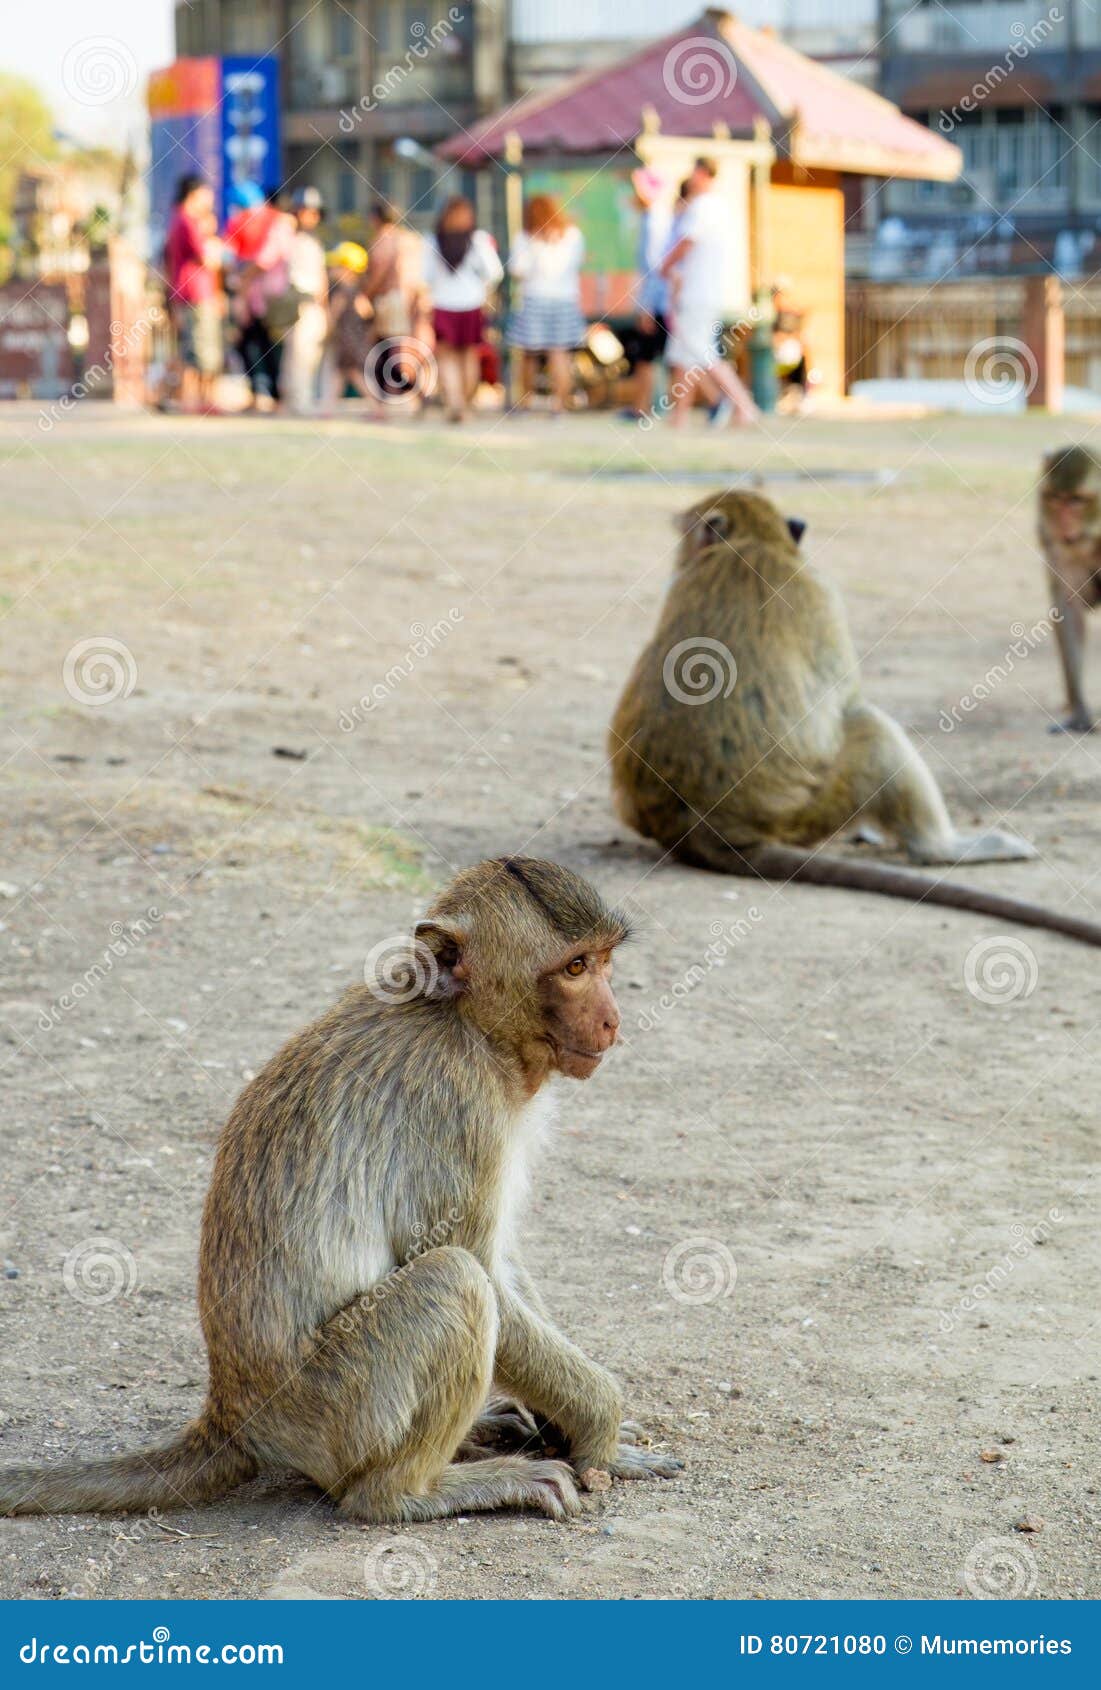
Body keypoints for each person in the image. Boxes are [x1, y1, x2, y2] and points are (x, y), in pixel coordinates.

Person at [660, 156, 757, 427]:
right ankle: (678, 417)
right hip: (703, 290)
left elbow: (687, 242)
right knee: (684, 354)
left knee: (702, 352)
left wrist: (664, 266)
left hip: (698, 291)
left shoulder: (702, 207)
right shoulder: (719, 207)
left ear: (701, 173)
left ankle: (743, 404)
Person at [422, 196, 503, 423]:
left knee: (446, 357)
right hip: (471, 304)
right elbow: (495, 273)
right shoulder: (479, 240)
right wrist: (482, 289)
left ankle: (455, 403)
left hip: (443, 304)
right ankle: (465, 405)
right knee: (469, 355)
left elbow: (425, 276)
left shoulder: (432, 241)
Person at [507, 195, 586, 415]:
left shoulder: (525, 238)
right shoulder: (573, 235)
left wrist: (536, 247)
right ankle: (559, 406)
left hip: (535, 298)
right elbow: (577, 264)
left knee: (529, 354)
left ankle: (526, 403)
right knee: (559, 353)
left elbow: (518, 270)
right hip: (566, 300)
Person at [223, 181, 292, 411]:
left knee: (261, 344)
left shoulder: (268, 221)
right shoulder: (274, 221)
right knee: (257, 344)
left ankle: (269, 394)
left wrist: (242, 280)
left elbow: (255, 260)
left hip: (262, 296)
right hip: (259, 296)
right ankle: (263, 394)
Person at [163, 173, 223, 412]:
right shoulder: (188, 221)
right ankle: (198, 402)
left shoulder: (177, 219)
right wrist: (214, 241)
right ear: (194, 194)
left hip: (186, 293)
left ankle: (186, 400)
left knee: (190, 348)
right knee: (200, 350)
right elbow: (207, 259)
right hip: (195, 293)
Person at [362, 200, 426, 411]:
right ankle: (406, 395)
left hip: (390, 299)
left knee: (387, 350)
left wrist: (365, 295)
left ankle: (398, 396)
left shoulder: (384, 240)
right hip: (408, 299)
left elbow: (380, 272)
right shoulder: (410, 239)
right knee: (396, 348)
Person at [623, 166, 671, 421]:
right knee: (648, 357)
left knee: (648, 356)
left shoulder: (655, 221)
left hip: (658, 301)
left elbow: (655, 268)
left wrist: (647, 306)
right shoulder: (651, 218)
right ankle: (640, 406)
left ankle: (642, 407)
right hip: (657, 299)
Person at [280, 186, 329, 417]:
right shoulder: (291, 238)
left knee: (310, 354)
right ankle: (298, 402)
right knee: (298, 354)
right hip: (299, 303)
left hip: (314, 305)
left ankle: (303, 398)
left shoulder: (313, 241)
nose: (311, 216)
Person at [325, 241, 372, 403]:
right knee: (343, 372)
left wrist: (328, 330)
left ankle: (376, 406)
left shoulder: (341, 291)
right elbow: (367, 312)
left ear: (348, 269)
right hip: (356, 338)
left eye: (336, 266)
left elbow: (333, 314)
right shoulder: (357, 292)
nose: (332, 269)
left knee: (351, 373)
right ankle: (328, 407)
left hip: (345, 339)